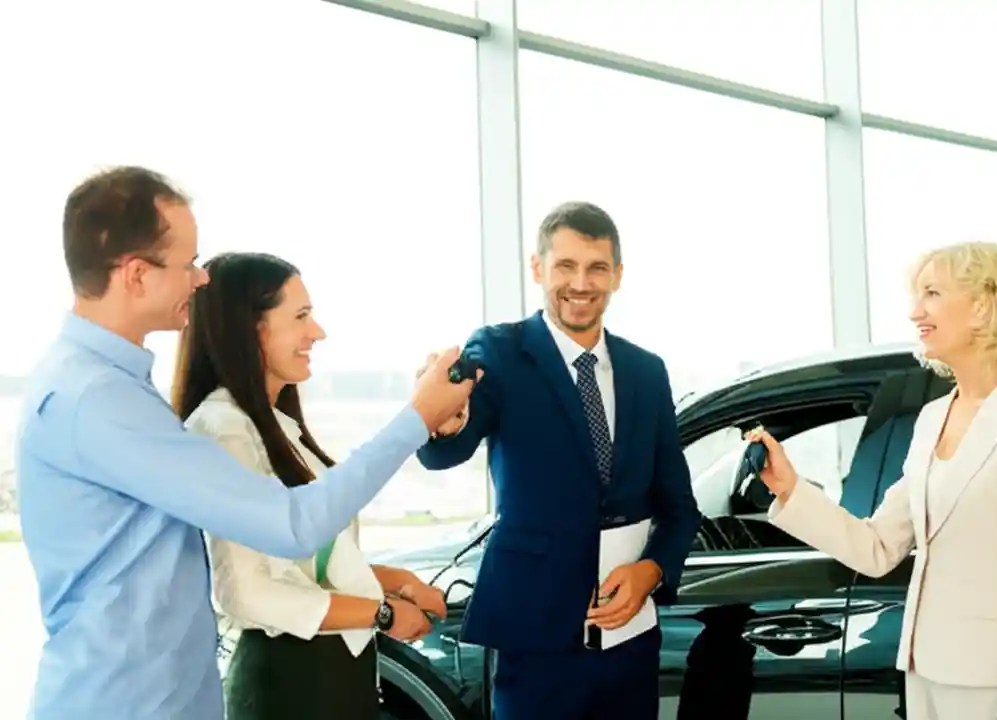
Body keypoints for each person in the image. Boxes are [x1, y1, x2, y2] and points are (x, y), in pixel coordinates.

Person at [15, 166, 476, 720]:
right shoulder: (99, 401)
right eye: (187, 264)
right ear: (136, 275)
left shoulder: (109, 389)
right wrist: (418, 418)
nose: (199, 280)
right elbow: (289, 528)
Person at [751, 241, 997, 720]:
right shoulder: (933, 417)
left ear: (982, 306)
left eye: (932, 293)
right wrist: (790, 488)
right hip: (923, 670)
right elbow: (876, 548)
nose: (915, 312)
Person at [417, 201, 700, 719]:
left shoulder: (646, 372)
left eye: (597, 268)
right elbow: (447, 450)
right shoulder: (500, 353)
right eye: (566, 266)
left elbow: (679, 507)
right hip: (534, 637)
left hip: (627, 642)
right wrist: (445, 422)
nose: (581, 284)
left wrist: (652, 570)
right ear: (538, 268)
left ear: (617, 275)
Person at [173, 251, 451, 719]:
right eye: (300, 316)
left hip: (330, 682)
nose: (316, 332)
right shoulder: (223, 429)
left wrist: (397, 582)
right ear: (251, 329)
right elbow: (248, 592)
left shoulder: (275, 429)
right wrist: (381, 613)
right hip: (288, 687)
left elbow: (304, 569)